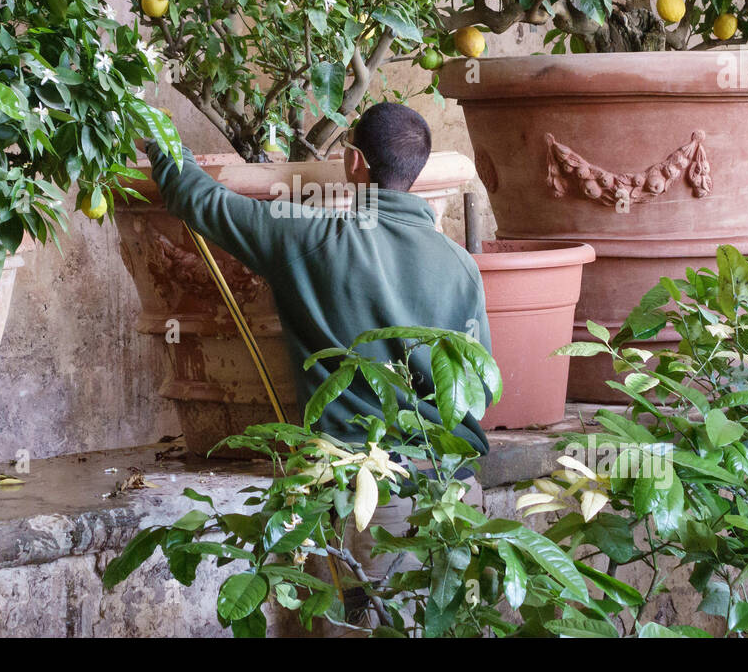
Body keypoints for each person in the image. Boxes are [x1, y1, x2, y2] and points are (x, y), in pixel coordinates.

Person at [141, 102, 492, 459]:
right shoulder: (462, 265)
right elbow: (482, 386)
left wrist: (162, 141)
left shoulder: (313, 238)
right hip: (455, 469)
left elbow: (201, 200)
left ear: (355, 162)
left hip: (362, 474)